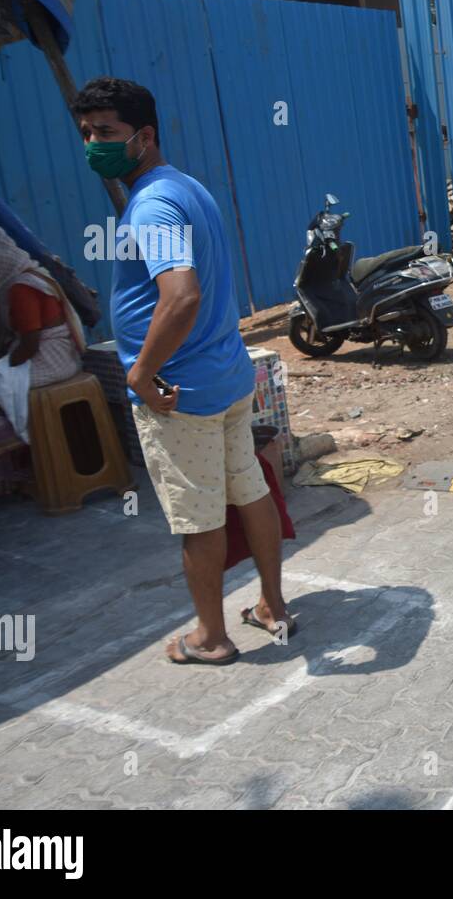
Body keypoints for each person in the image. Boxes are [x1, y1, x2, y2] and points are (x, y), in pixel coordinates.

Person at [70, 76, 292, 664]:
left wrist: (142, 373)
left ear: (143, 136)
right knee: (250, 491)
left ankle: (210, 637)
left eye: (107, 132)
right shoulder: (185, 187)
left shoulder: (153, 203)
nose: (94, 144)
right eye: (87, 133)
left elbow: (182, 294)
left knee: (198, 519)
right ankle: (272, 605)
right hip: (225, 377)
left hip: (179, 393)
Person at [0, 222, 86, 496]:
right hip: (59, 358)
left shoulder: (20, 287)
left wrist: (1, 368)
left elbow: (30, 344)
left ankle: (33, 459)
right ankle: (33, 458)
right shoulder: (30, 273)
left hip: (48, 363)